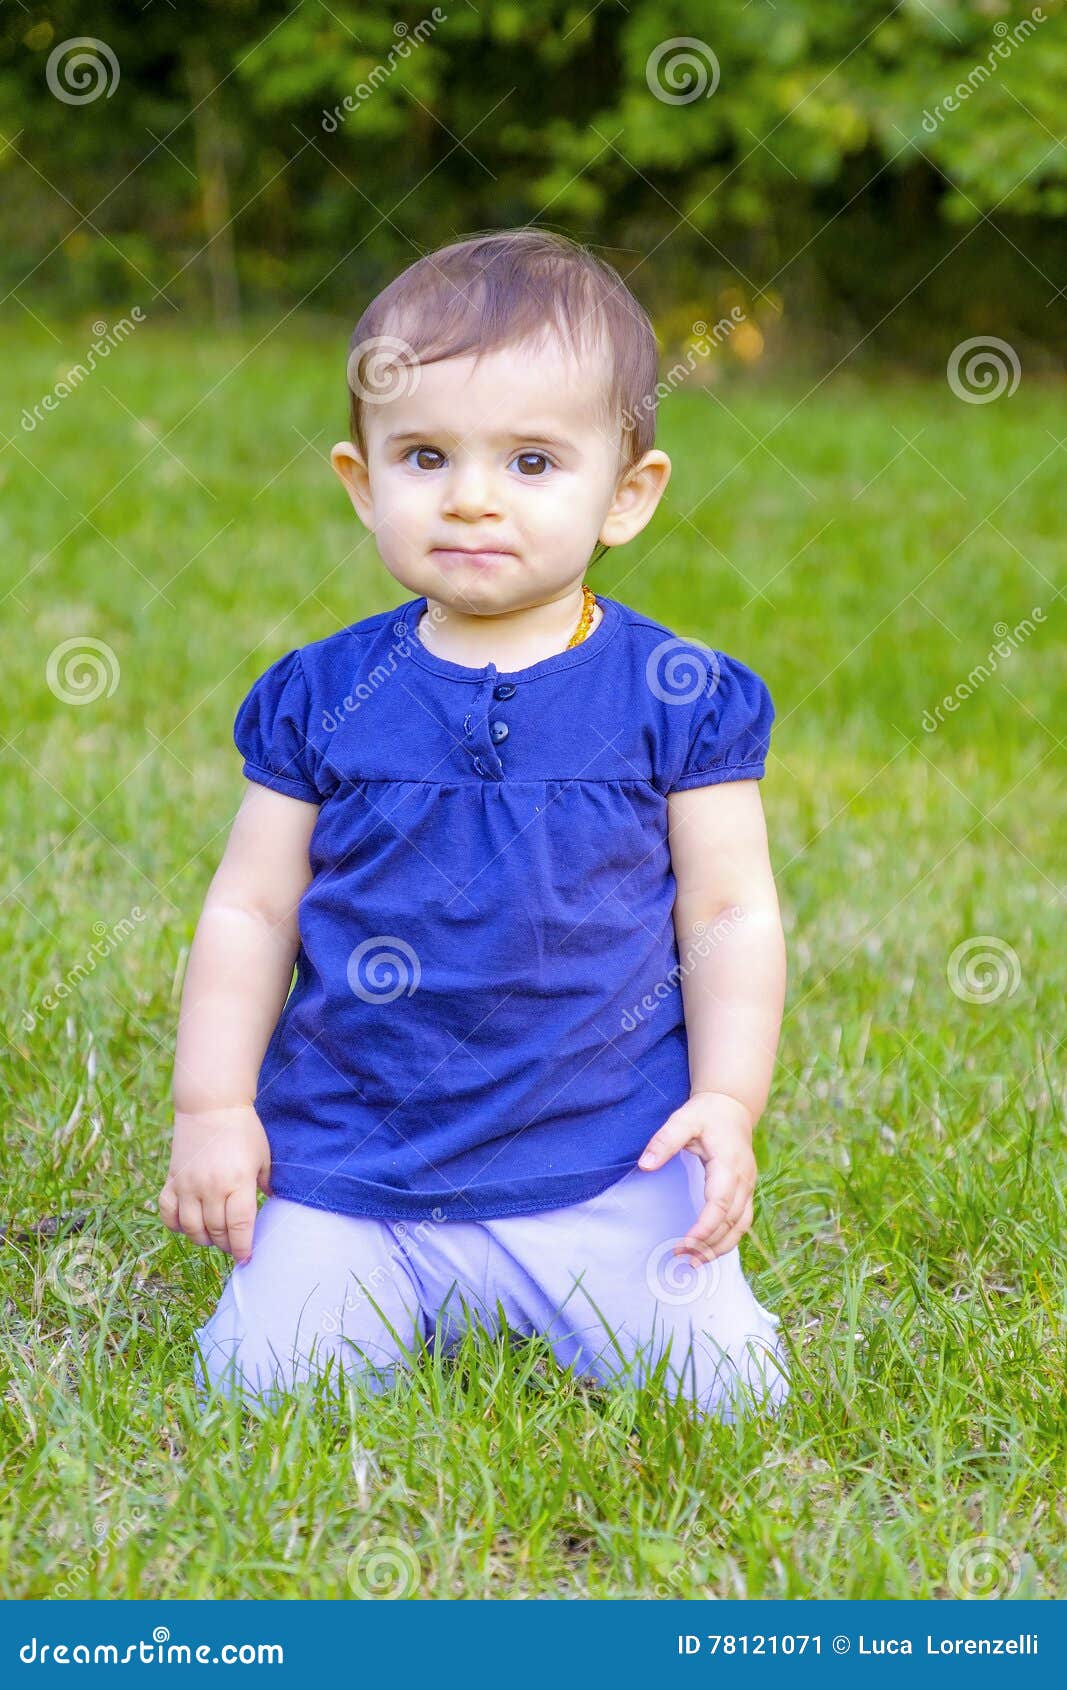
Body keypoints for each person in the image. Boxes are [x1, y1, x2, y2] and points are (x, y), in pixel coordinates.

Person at [160, 227, 790, 1423]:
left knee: (727, 1393)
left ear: (627, 494)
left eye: (532, 462)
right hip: (355, 1165)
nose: (470, 496)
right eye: (425, 455)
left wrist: (727, 1097)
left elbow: (729, 910)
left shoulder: (677, 697)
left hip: (604, 1165)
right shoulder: (320, 695)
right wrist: (213, 1106)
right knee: (258, 1388)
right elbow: (250, 907)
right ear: (362, 480)